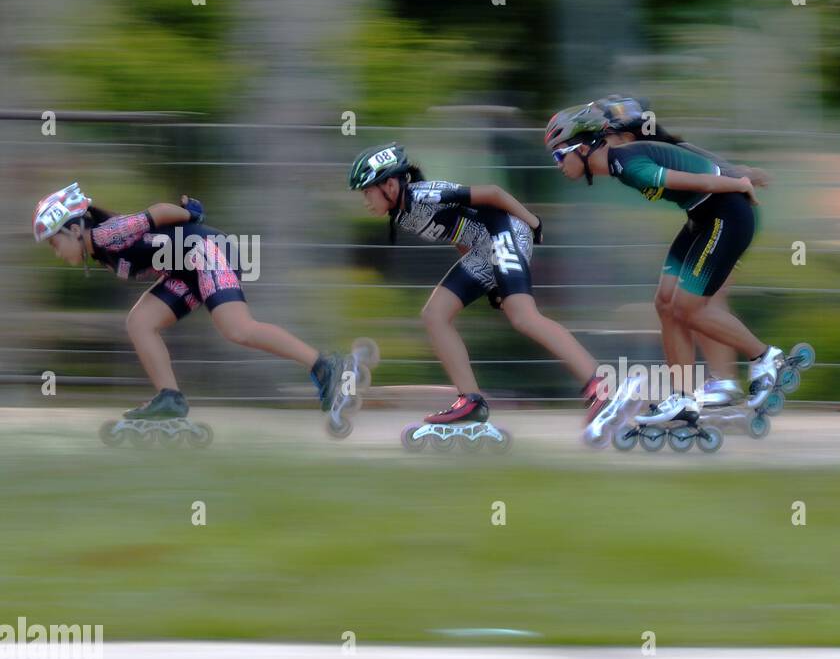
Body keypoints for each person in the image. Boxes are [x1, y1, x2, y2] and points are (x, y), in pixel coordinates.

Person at [545, 100, 793, 435]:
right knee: (665, 303)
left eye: (560, 155)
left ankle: (766, 358)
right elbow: (685, 153)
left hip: (726, 214)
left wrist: (739, 182)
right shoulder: (621, 164)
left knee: (689, 308)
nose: (558, 165)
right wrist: (735, 172)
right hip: (703, 216)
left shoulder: (628, 165)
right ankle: (683, 398)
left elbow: (696, 180)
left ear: (585, 147)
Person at [33, 182, 351, 436]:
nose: (55, 251)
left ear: (74, 229)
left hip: (209, 253)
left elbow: (155, 213)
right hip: (186, 269)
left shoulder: (105, 234)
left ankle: (325, 366)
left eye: (53, 241)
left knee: (237, 329)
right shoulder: (100, 250)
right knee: (140, 322)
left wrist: (190, 215)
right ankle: (170, 398)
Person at [348, 142, 608, 439]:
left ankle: (599, 383)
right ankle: (470, 401)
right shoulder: (403, 214)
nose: (365, 200)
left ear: (390, 186)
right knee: (434, 315)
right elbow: (459, 232)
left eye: (367, 191)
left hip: (503, 231)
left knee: (524, 317)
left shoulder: (424, 194)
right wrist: (489, 280)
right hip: (483, 249)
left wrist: (534, 224)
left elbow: (493, 194)